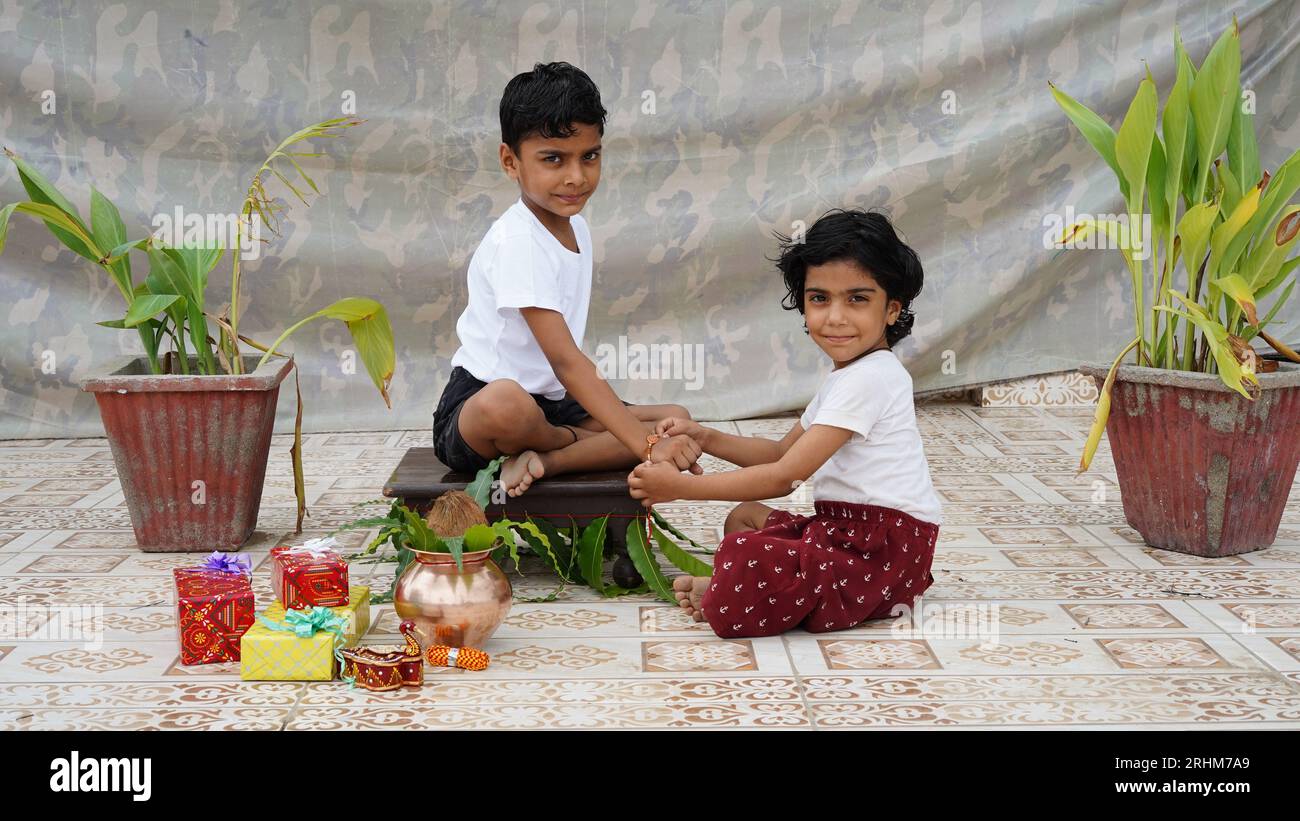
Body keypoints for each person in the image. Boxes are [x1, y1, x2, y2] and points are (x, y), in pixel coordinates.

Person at [628, 208, 943, 638]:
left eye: (857, 299)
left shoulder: (872, 378)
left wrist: (682, 490)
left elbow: (785, 476)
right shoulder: (848, 375)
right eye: (819, 299)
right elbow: (780, 451)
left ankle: (732, 592)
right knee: (745, 519)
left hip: (883, 549)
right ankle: (748, 586)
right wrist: (705, 435)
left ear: (891, 309)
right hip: (845, 533)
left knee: (745, 553)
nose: (835, 317)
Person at [434, 62, 702, 495]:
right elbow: (566, 360)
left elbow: (564, 375)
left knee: (677, 416)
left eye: (589, 156)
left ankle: (549, 459)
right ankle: (574, 444)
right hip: (481, 405)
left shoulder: (574, 226)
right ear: (510, 161)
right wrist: (646, 446)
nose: (576, 177)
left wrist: (650, 438)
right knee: (509, 404)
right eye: (553, 159)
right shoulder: (518, 239)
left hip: (554, 402)